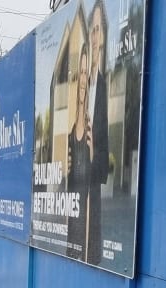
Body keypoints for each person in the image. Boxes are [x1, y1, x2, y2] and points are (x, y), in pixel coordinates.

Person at [86, 0, 110, 265]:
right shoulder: (83, 83)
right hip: (77, 190)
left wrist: (93, 155)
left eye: (98, 30)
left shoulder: (101, 86)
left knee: (93, 255)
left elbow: (103, 154)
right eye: (91, 30)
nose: (94, 37)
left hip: (92, 187)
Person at [67, 44, 92, 261]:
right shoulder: (71, 130)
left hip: (85, 217)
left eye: (86, 73)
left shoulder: (91, 129)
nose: (82, 80)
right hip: (71, 215)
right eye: (79, 73)